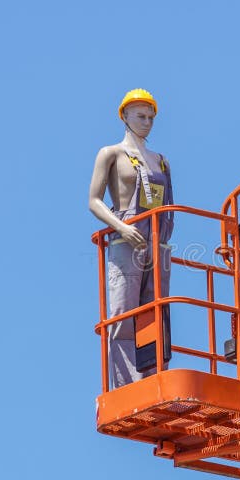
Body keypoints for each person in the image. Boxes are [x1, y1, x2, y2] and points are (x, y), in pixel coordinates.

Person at [88, 88, 174, 388]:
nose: (147, 122)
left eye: (151, 117)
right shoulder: (111, 154)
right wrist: (121, 228)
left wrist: (161, 243)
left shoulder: (161, 161)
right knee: (123, 312)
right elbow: (94, 200)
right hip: (127, 239)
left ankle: (155, 379)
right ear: (124, 116)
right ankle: (128, 384)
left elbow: (170, 207)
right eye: (140, 116)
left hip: (157, 243)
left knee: (155, 311)